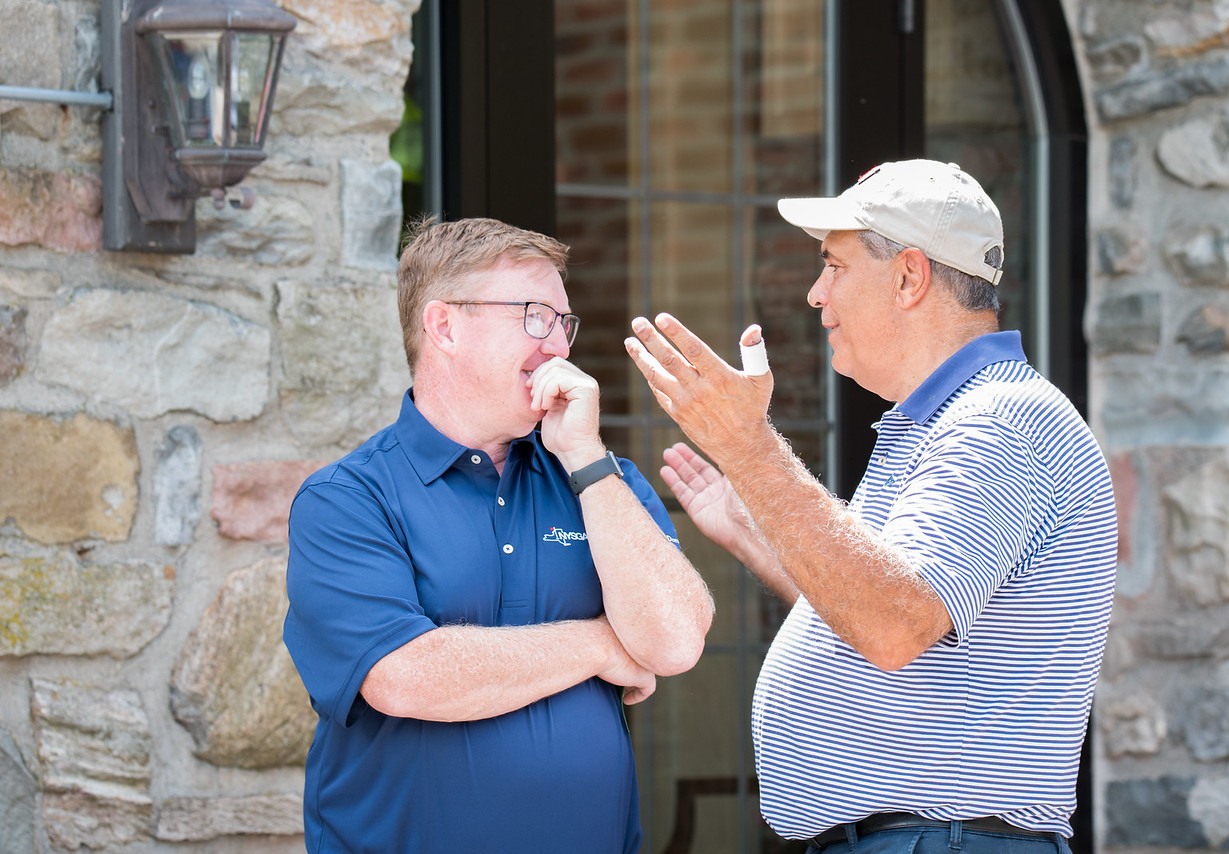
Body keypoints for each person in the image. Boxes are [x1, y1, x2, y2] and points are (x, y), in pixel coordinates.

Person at [624, 160, 1116, 853]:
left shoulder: (997, 423)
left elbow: (892, 624)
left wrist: (751, 450)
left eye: (835, 266)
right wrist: (754, 529)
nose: (815, 294)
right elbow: (881, 612)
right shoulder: (953, 421)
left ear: (909, 277)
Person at [283, 216, 715, 853]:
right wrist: (603, 646)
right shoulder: (347, 500)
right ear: (445, 326)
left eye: (563, 322)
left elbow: (676, 641)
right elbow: (405, 676)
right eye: (534, 316)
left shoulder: (601, 481)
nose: (558, 346)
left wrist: (588, 461)